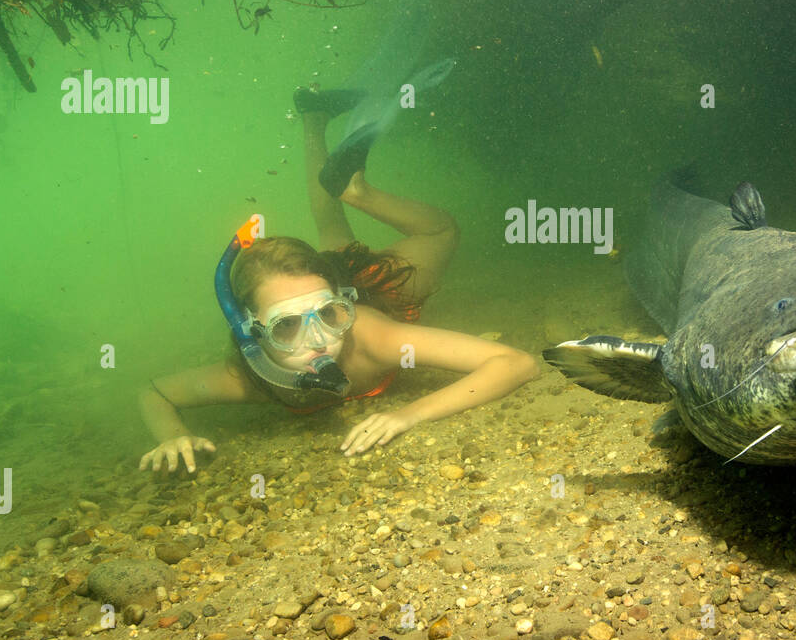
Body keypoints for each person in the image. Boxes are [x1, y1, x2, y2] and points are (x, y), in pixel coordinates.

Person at [138, 68, 539, 474]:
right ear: (251, 331)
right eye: (287, 326)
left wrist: (408, 415)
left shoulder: (370, 338)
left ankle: (358, 191)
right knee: (331, 231)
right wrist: (170, 436)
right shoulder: (247, 375)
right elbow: (155, 393)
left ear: (341, 304)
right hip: (326, 272)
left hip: (366, 282)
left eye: (329, 315)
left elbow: (517, 363)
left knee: (440, 230)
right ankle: (314, 117)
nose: (320, 342)